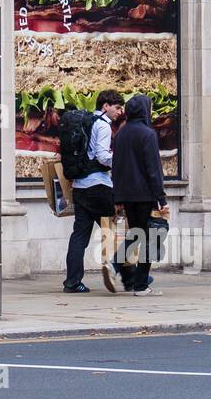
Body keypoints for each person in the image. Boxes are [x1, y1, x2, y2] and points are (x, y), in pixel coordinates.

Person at [63, 90, 125, 294]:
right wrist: (120, 160)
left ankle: (72, 282)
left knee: (79, 235)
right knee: (111, 232)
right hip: (99, 186)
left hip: (80, 187)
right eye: (117, 107)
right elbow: (101, 156)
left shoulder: (86, 122)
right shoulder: (103, 125)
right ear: (105, 106)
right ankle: (126, 274)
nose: (120, 112)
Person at [110, 94, 169, 296]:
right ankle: (141, 285)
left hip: (126, 194)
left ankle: (116, 265)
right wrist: (161, 198)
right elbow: (154, 169)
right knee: (150, 238)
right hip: (144, 194)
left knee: (135, 234)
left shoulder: (120, 134)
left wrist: (117, 197)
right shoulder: (148, 134)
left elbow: (115, 167)